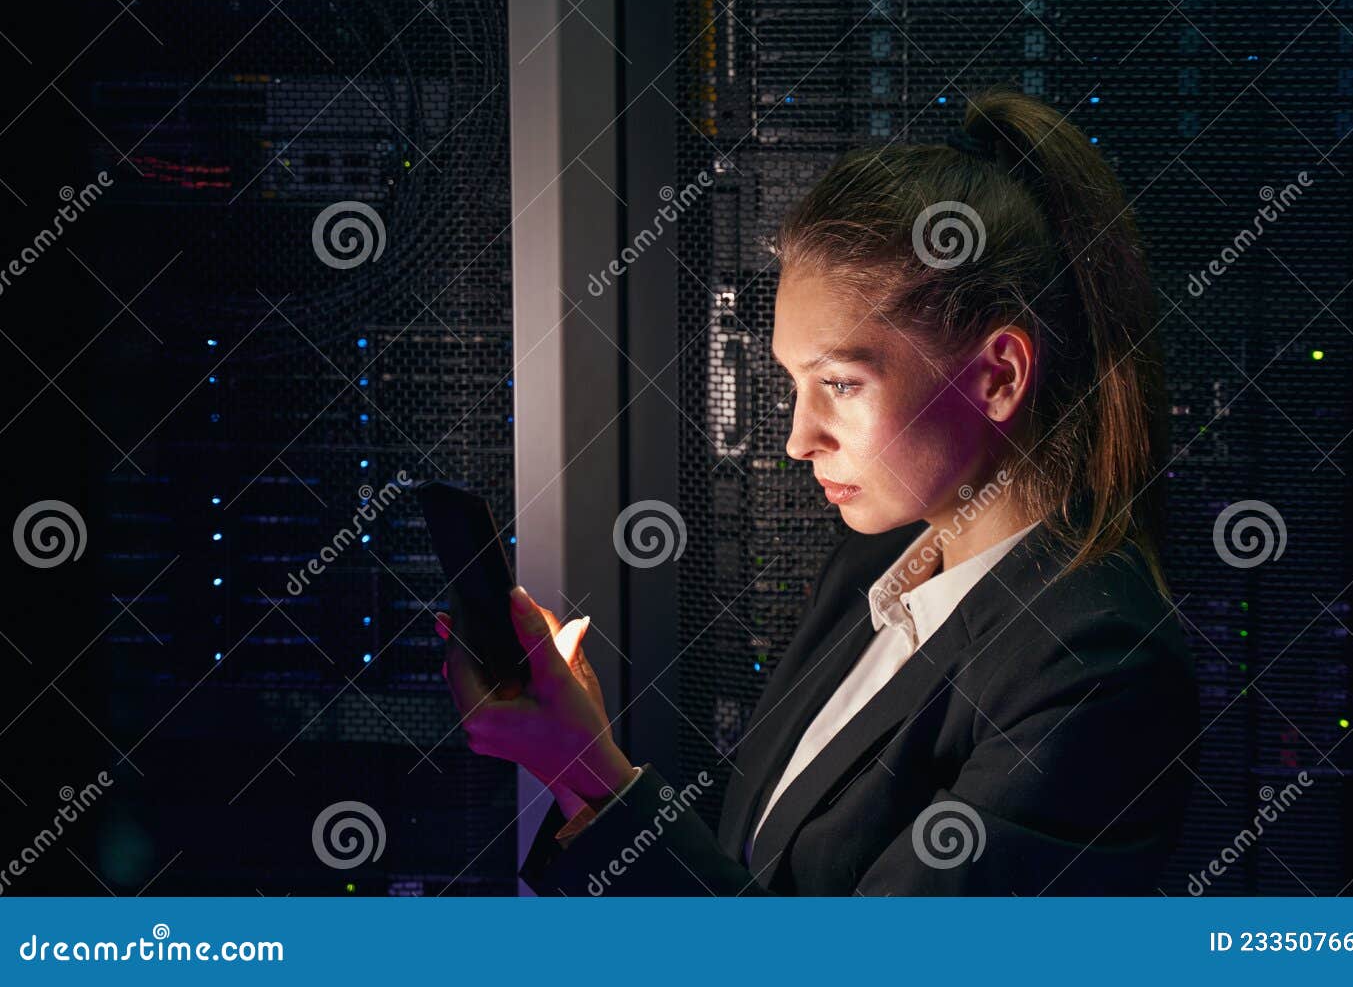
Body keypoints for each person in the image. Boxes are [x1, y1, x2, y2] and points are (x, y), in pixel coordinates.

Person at [438, 85, 1199, 895]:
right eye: (793, 383)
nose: (799, 440)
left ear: (998, 375)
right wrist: (582, 768)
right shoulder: (873, 563)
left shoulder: (1099, 671)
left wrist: (587, 764)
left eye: (839, 382)